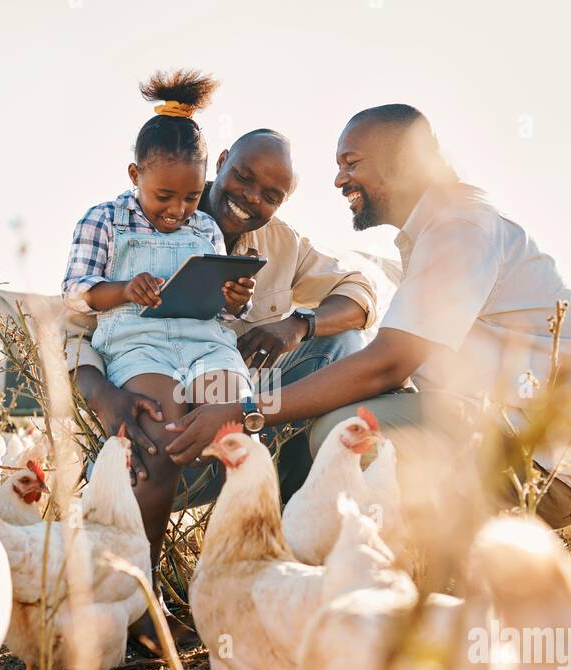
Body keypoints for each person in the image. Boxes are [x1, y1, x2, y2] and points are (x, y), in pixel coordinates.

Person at [164, 104, 571, 531]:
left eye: (352, 162)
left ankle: (349, 571)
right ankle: (301, 546)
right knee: (336, 398)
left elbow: (388, 362)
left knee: (339, 434)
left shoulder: (459, 228)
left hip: (541, 459)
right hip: (500, 430)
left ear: (403, 163)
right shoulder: (442, 228)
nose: (340, 180)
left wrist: (248, 412)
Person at [66, 128, 390, 504]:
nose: (251, 198)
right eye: (244, 177)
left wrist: (296, 325)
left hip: (241, 413)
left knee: (341, 342)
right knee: (150, 463)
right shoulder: (132, 221)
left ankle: (288, 505)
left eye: (270, 196)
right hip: (151, 420)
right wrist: (103, 397)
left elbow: (361, 292)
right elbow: (70, 333)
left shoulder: (283, 243)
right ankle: (138, 514)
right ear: (221, 163)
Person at [60, 69, 259, 561]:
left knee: (242, 428)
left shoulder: (207, 228)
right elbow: (74, 293)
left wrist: (235, 298)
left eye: (191, 197)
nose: (177, 210)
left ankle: (228, 572)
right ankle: (140, 578)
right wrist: (124, 289)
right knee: (159, 443)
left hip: (207, 344)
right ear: (135, 176)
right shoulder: (102, 219)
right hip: (139, 343)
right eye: (163, 197)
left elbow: (225, 314)